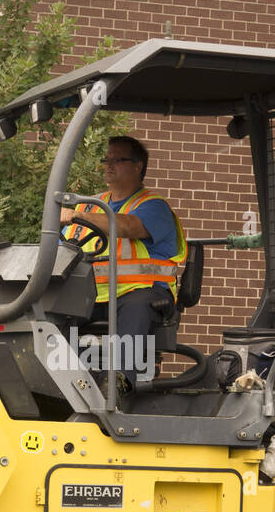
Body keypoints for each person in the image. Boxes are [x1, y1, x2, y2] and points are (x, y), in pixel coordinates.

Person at [60, 136, 187, 388]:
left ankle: (117, 381)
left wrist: (77, 214)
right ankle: (63, 380)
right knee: (54, 312)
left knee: (136, 307)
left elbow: (128, 226)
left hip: (145, 291)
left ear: (138, 167)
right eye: (106, 160)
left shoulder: (153, 206)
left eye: (117, 160)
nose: (109, 165)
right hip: (94, 295)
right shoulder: (92, 206)